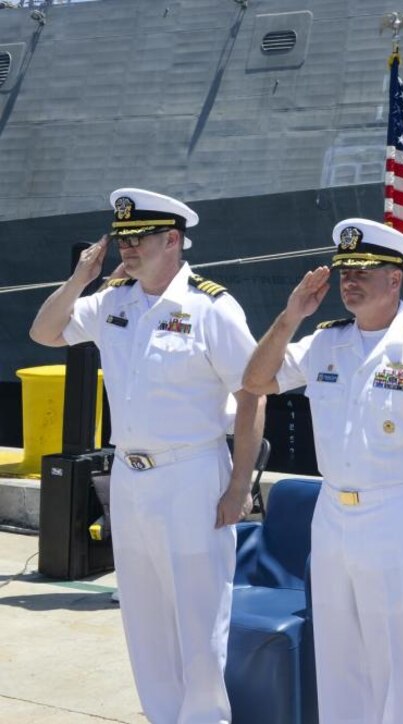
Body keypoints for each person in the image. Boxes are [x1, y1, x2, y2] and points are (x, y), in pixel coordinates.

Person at [29, 188, 265, 724]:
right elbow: (43, 332)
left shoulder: (211, 306)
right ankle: (163, 716)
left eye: (139, 239)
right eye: (123, 238)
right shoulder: (115, 301)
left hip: (193, 475)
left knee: (199, 618)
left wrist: (238, 487)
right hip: (131, 477)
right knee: (144, 615)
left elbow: (254, 392)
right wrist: (79, 280)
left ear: (173, 240)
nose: (127, 249)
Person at [241, 218, 403, 723]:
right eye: (345, 270)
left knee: (399, 657)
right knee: (337, 652)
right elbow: (256, 379)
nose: (349, 280)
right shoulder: (326, 342)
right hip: (331, 513)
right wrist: (290, 316)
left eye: (364, 271)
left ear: (394, 280)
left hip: (397, 515)